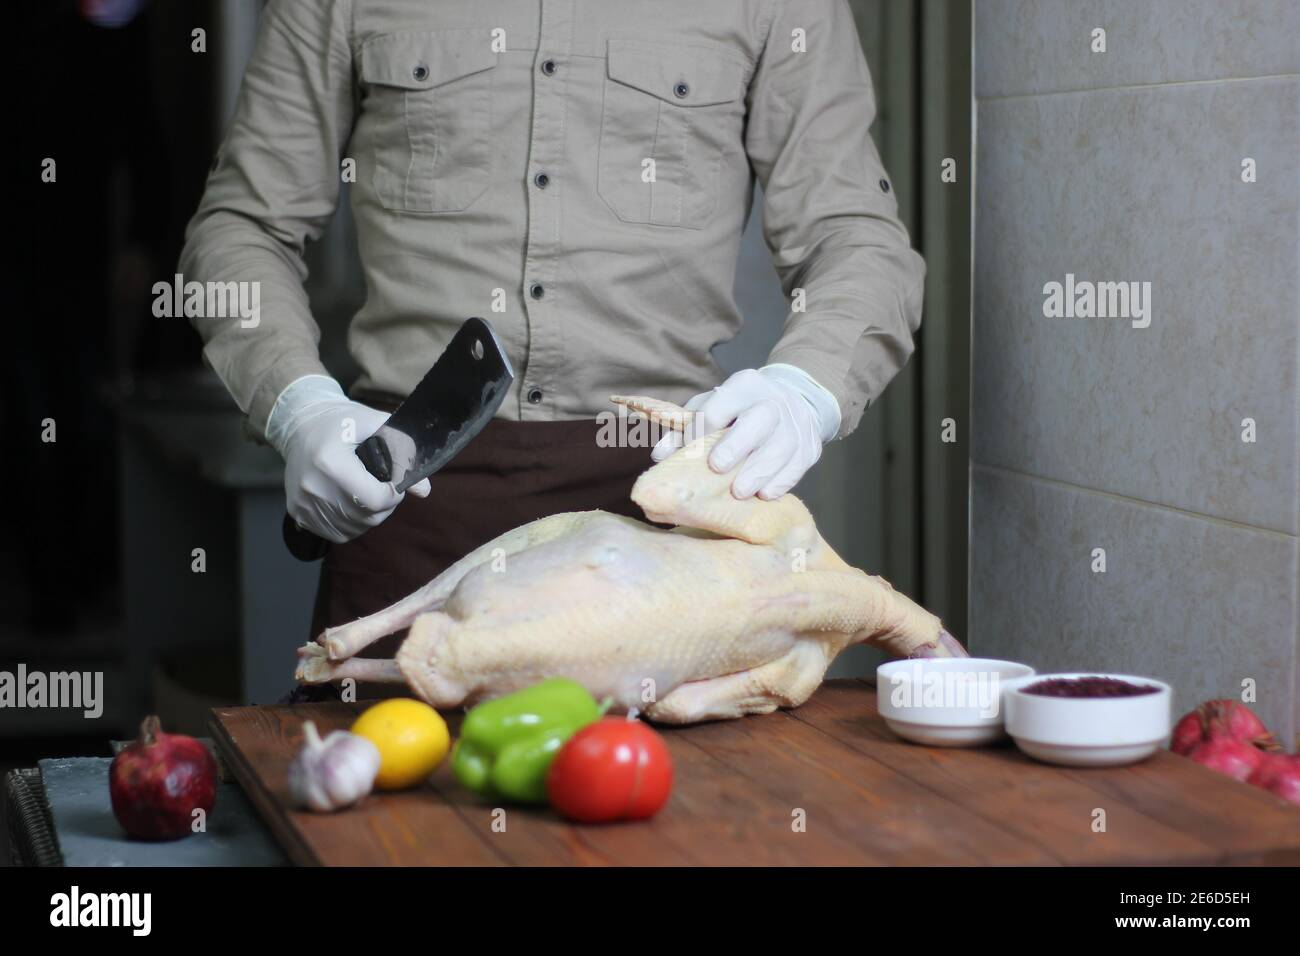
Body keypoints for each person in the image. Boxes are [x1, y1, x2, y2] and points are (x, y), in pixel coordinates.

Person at [179, 0, 925, 672]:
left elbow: (857, 239)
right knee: (377, 817)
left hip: (661, 525)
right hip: (408, 504)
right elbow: (241, 226)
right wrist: (297, 402)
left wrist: (806, 388)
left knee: (679, 815)